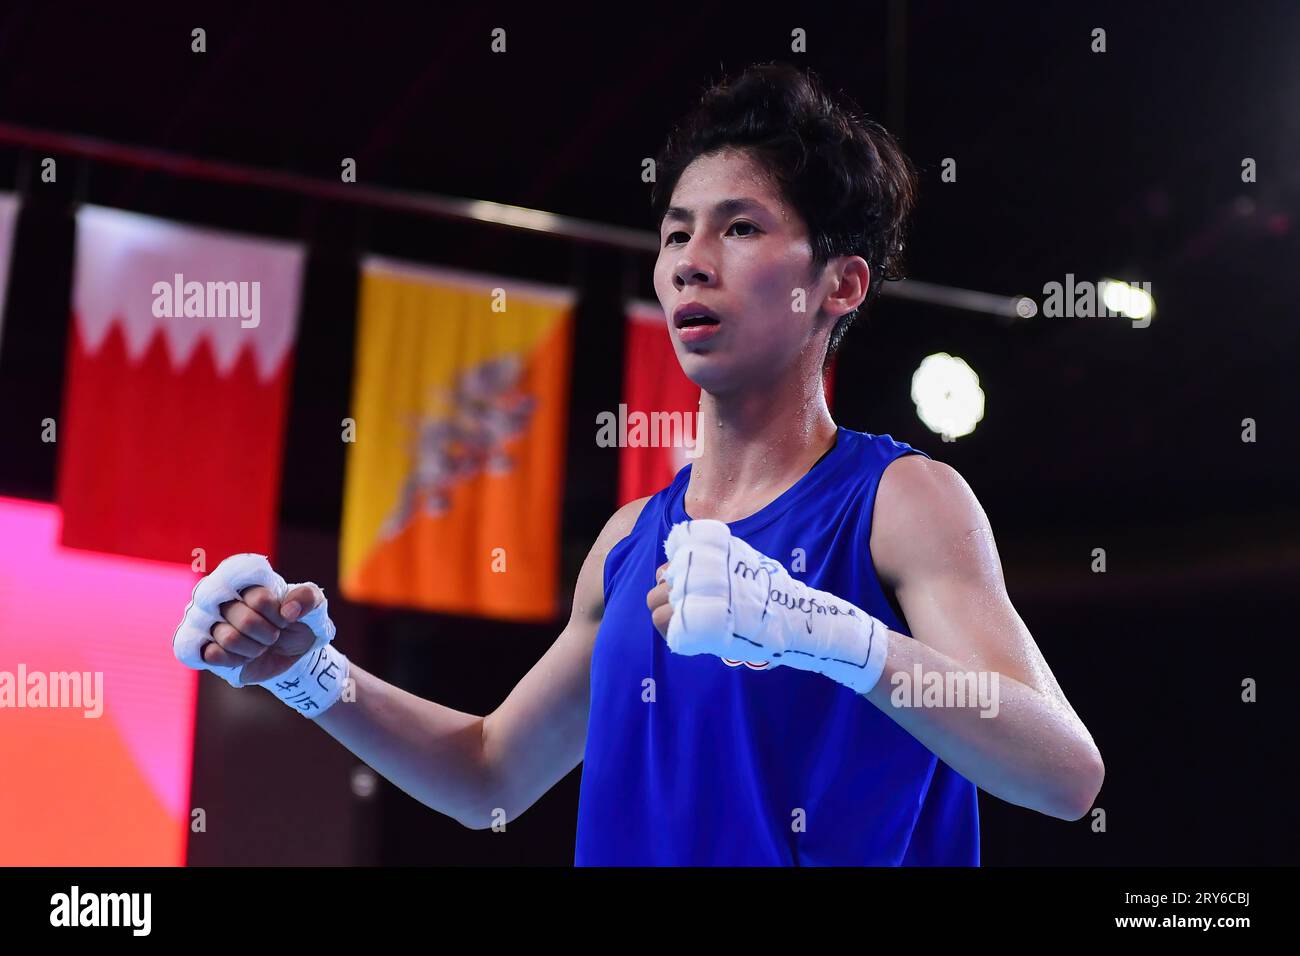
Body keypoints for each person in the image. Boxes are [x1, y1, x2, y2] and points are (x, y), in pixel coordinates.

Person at [173, 62, 1103, 866]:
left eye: (739, 229)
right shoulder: (628, 545)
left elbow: (1065, 773)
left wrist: (829, 634)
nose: (692, 262)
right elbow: (491, 774)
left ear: (839, 283)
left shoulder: (900, 501)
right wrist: (307, 672)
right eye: (675, 233)